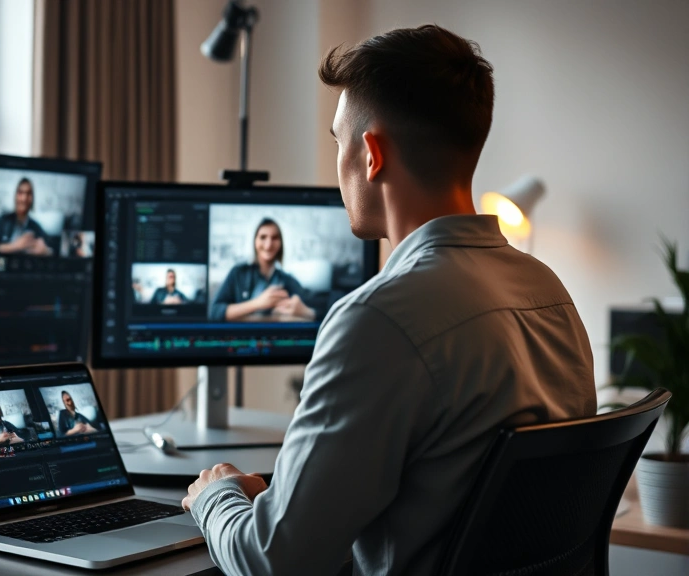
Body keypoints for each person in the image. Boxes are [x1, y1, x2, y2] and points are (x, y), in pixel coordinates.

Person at [182, 25, 596, 576]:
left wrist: (217, 496)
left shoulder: (377, 319)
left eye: (339, 142)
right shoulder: (549, 292)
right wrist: (292, 500)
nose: (338, 160)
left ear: (372, 155)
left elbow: (274, 562)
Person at [209, 218, 316, 321]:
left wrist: (306, 312)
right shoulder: (238, 273)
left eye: (274, 238)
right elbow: (214, 312)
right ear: (255, 241)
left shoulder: (287, 280)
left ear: (281, 243)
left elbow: (316, 308)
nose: (268, 245)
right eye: (263, 237)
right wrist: (258, 303)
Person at [0, 178, 53, 256]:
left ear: (32, 199)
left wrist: (45, 251)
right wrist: (15, 246)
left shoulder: (36, 227)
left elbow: (52, 249)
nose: (24, 199)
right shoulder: (4, 221)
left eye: (28, 194)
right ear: (15, 196)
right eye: (20, 193)